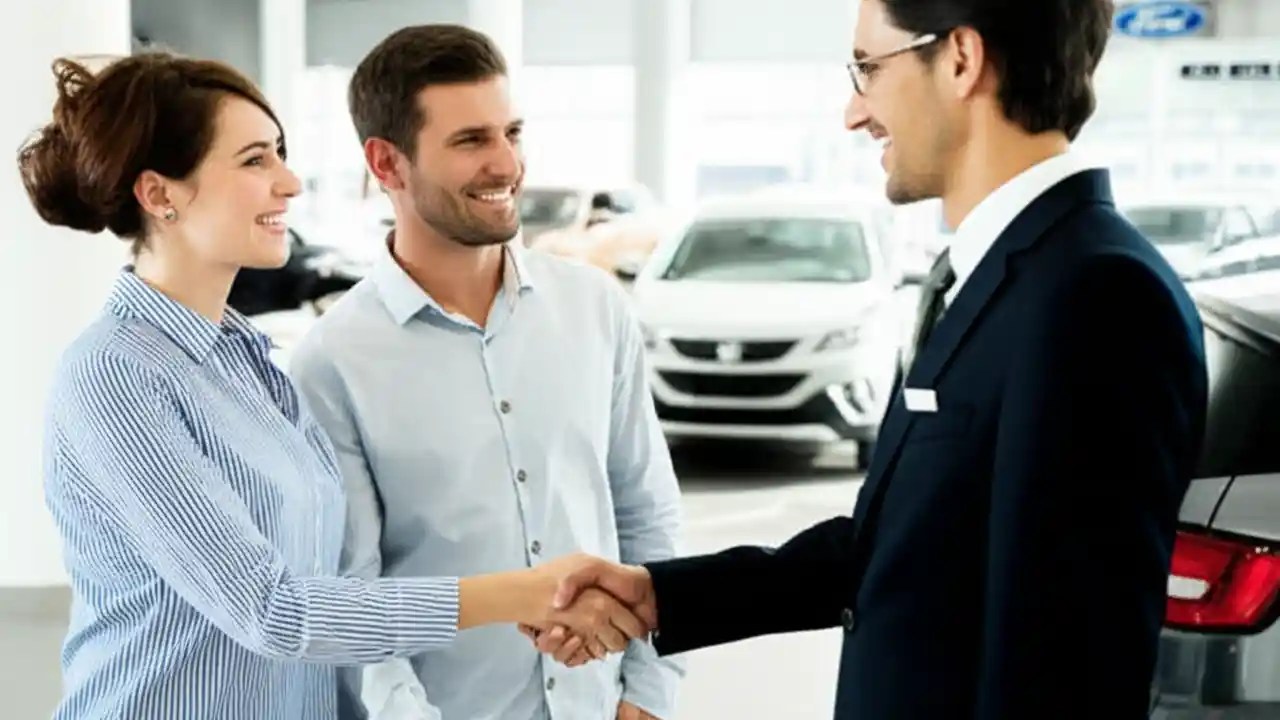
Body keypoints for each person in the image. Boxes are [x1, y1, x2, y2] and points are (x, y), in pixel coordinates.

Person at [540, 0, 1209, 717]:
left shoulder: (1095, 295)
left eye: (867, 68)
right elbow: (905, 541)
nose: (853, 113)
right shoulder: (997, 275)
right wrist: (661, 593)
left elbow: (1068, 662)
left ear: (961, 59)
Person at [19, 52, 646, 720]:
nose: (289, 182)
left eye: (281, 154)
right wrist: (523, 594)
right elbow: (275, 612)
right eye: (256, 159)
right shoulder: (114, 376)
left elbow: (335, 589)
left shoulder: (251, 363)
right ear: (160, 194)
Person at [288, 25, 685, 720]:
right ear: (387, 164)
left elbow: (646, 513)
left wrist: (649, 696)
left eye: (513, 133)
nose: (506, 165)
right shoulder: (332, 362)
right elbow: (353, 593)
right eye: (471, 141)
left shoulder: (594, 307)